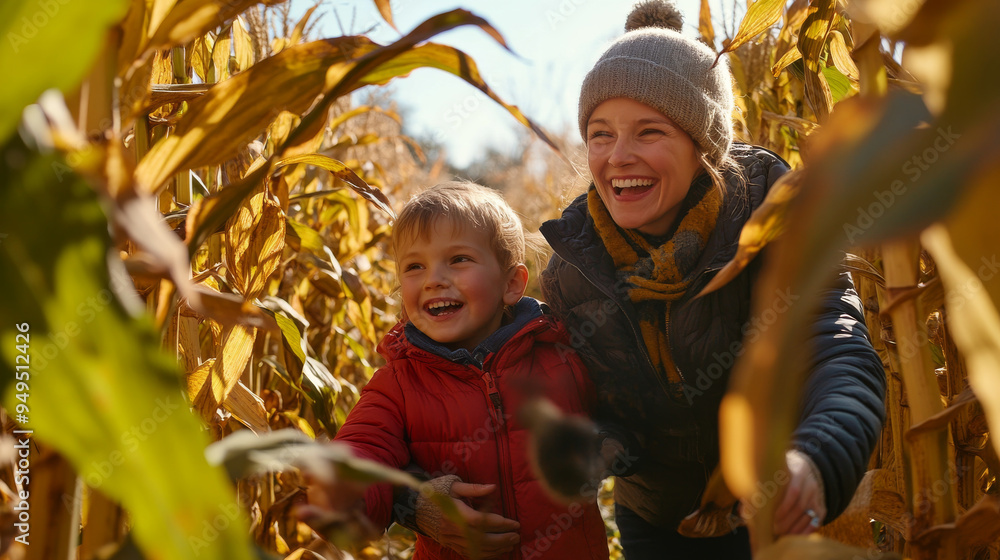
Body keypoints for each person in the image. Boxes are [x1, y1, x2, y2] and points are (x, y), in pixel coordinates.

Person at [399, 1, 887, 559]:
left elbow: (840, 354)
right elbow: (468, 396)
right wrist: (416, 498)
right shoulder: (575, 272)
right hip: (658, 521)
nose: (618, 157)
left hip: (785, 508)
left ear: (704, 145)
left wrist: (814, 459)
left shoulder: (778, 222)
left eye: (649, 131)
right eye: (600, 134)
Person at [329, 182, 610, 560]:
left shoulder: (563, 357)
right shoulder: (398, 384)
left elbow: (635, 421)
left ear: (512, 284)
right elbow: (361, 454)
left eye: (458, 259)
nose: (433, 279)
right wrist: (402, 500)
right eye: (414, 266)